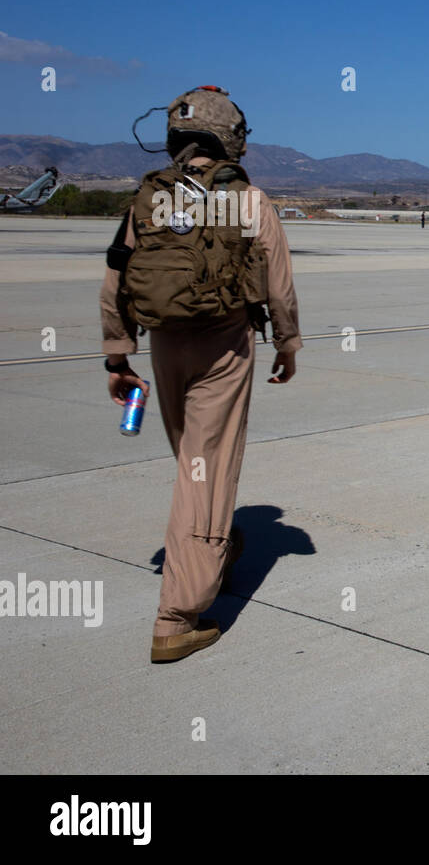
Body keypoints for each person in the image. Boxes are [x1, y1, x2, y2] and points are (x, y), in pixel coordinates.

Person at [100, 85, 301, 663]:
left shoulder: (150, 199)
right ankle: (177, 616)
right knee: (205, 471)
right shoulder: (247, 200)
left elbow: (116, 276)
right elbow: (280, 285)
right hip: (224, 346)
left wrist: (118, 355)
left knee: (191, 458)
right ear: (230, 136)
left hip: (163, 346)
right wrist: (287, 342)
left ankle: (219, 546)